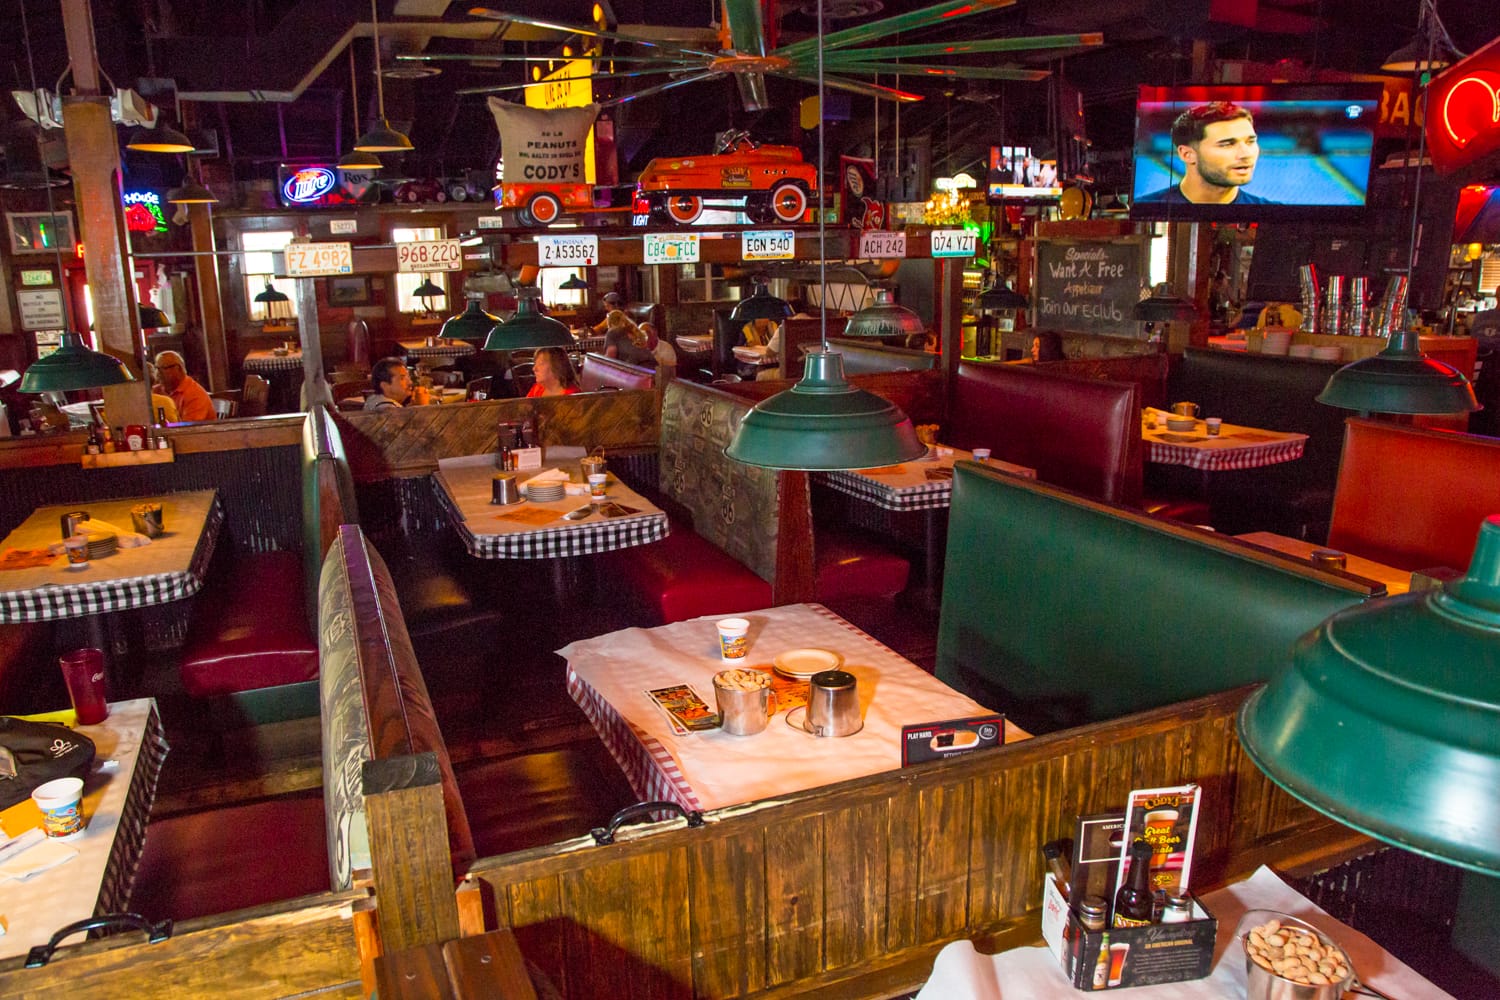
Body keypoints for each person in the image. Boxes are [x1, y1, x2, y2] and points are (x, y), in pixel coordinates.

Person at [1137, 102, 1273, 206]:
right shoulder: (1149, 207)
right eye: (1227, 144)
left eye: (1250, 142)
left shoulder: (1272, 211)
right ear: (1187, 154)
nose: (1246, 154)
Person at [152, 350, 214, 422]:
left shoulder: (194, 395)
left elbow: (189, 429)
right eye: (156, 368)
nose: (158, 373)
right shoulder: (157, 390)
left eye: (163, 368)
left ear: (178, 368)